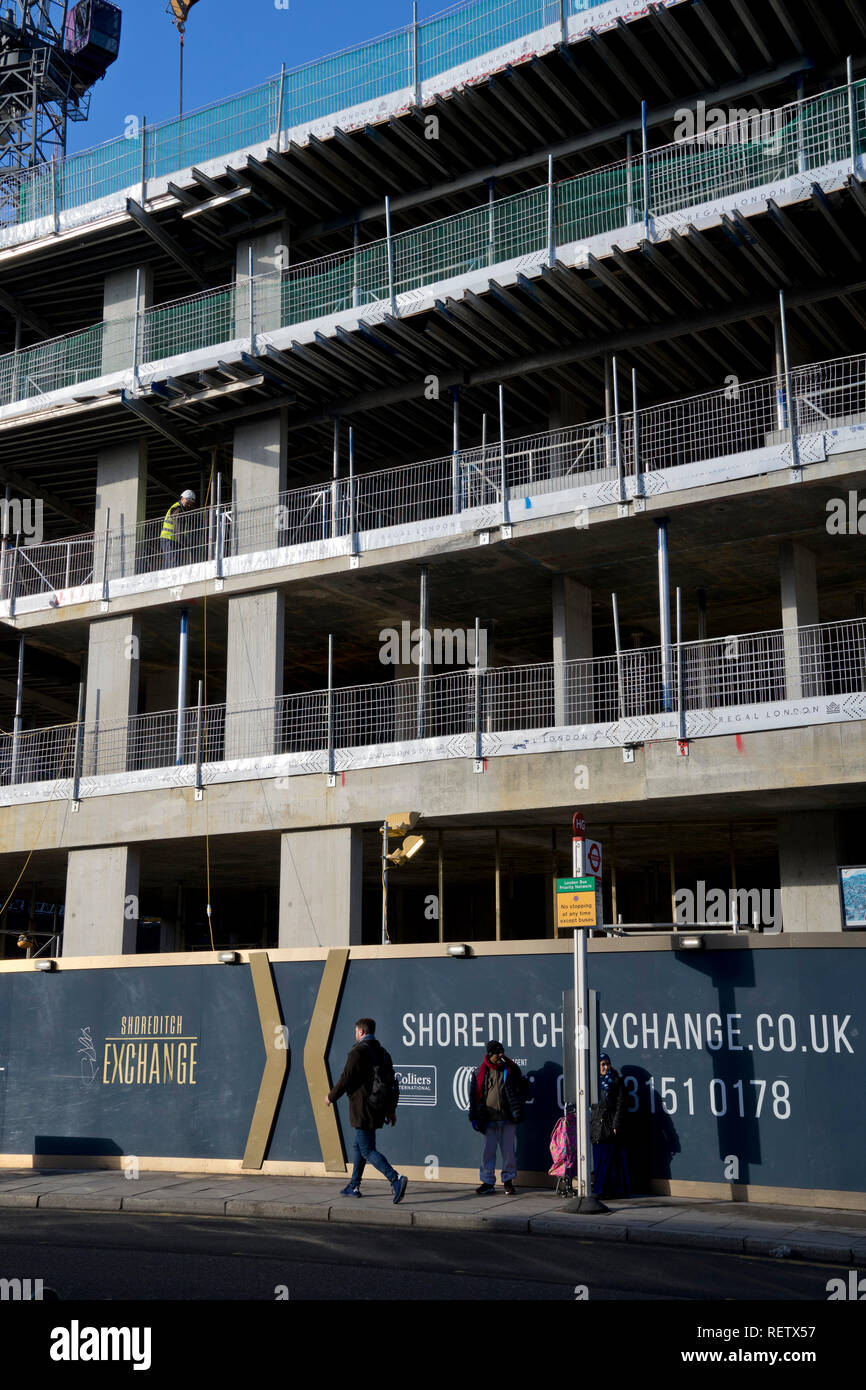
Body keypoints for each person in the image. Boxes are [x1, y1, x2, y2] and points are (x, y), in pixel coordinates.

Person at [325, 1017, 407, 1203]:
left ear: (361, 1032)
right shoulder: (383, 1053)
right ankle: (354, 1185)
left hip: (362, 1108)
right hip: (377, 1107)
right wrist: (391, 1110)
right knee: (359, 1146)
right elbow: (392, 1084)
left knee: (368, 1149)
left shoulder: (358, 1052)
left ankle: (396, 1179)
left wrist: (330, 1097)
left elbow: (345, 1078)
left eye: (356, 1031)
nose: (355, 1034)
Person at [468, 1039, 526, 1196]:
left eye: (502, 1052)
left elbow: (521, 1089)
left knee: (508, 1152)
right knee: (488, 1152)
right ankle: (488, 1182)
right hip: (489, 1120)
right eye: (498, 1053)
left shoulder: (511, 1069)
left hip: (508, 1118)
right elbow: (474, 1096)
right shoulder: (479, 1072)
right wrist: (473, 1117)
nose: (501, 1055)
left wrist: (518, 1107)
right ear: (490, 1054)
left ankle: (508, 1181)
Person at [590, 1052, 630, 1198]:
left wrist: (616, 1125)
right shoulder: (592, 1081)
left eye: (608, 1064)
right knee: (599, 1159)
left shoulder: (615, 1082)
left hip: (608, 1125)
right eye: (603, 1064)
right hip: (596, 1126)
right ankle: (603, 1189)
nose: (606, 1067)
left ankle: (602, 1190)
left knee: (608, 1160)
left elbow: (620, 1105)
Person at [160, 489, 196, 566]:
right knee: (174, 564)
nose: (189, 505)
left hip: (173, 540)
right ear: (182, 499)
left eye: (191, 503)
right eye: (188, 502)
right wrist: (184, 543)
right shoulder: (177, 510)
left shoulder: (181, 509)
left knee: (173, 563)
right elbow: (178, 529)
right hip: (170, 540)